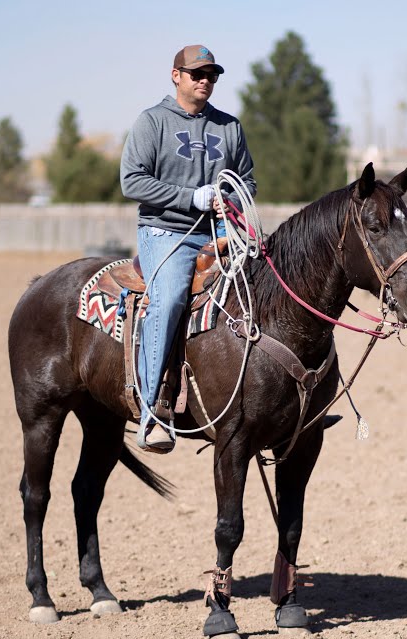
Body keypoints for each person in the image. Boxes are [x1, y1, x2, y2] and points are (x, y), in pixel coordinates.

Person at [120, 44, 257, 454]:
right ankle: (153, 414)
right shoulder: (152, 122)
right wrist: (190, 198)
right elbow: (132, 181)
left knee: (268, 287)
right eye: (196, 73)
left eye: (212, 74)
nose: (205, 80)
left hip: (221, 234)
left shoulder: (229, 128)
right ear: (175, 75)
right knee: (171, 298)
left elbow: (247, 181)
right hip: (166, 231)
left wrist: (230, 202)